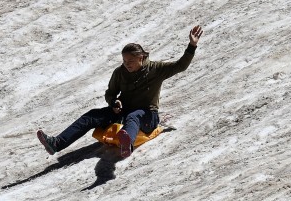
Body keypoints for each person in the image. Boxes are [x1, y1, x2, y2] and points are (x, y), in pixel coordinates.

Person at [38, 25, 204, 160]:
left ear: (141, 58)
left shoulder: (156, 69)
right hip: (124, 112)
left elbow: (180, 66)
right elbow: (110, 93)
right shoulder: (120, 72)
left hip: (148, 116)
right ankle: (56, 143)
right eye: (124, 61)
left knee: (135, 116)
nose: (127, 64)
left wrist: (192, 45)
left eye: (131, 61)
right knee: (92, 115)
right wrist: (113, 103)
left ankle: (127, 144)